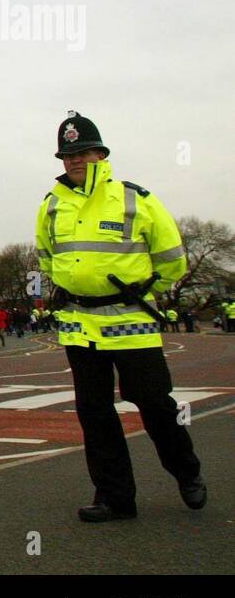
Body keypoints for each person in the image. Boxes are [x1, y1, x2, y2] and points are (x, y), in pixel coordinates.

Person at [35, 111, 204, 522]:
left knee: (153, 404)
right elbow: (46, 256)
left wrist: (145, 292)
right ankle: (115, 498)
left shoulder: (136, 199)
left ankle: (187, 472)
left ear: (100, 154)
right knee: (94, 413)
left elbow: (172, 259)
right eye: (67, 155)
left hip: (131, 322)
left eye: (82, 152)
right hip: (80, 324)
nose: (74, 161)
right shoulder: (51, 205)